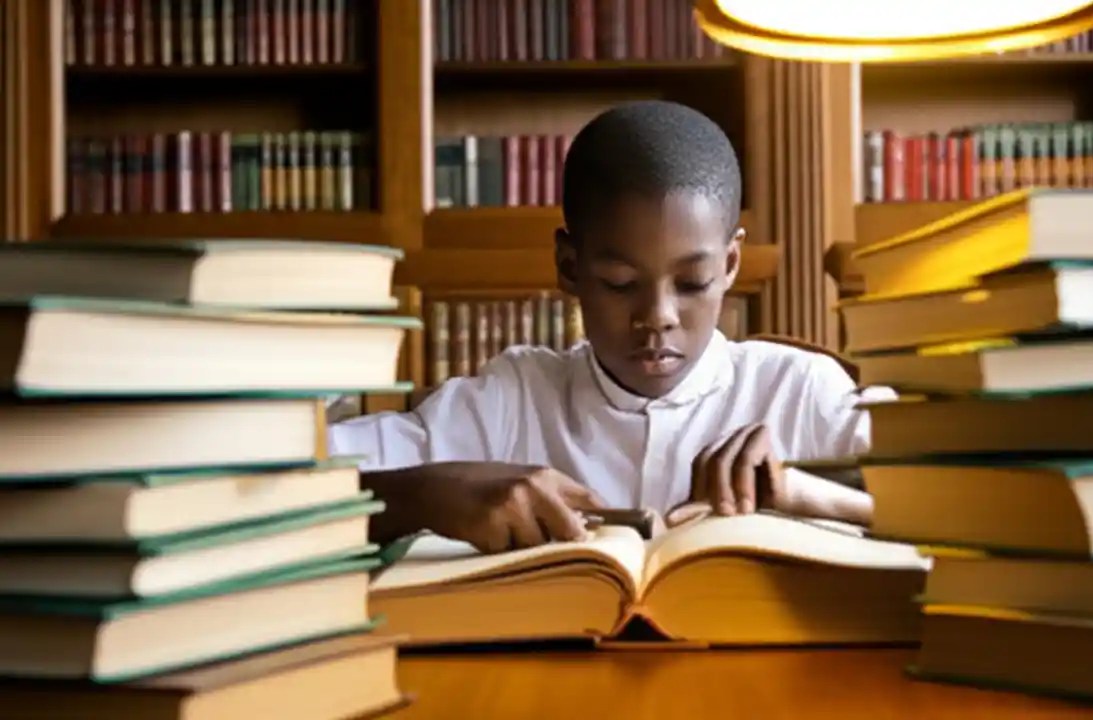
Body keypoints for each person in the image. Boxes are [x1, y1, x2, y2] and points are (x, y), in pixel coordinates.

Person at [329, 100, 894, 553]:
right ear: (570, 267)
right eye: (620, 283)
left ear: (729, 265)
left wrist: (808, 494)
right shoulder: (510, 402)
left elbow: (949, 504)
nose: (659, 316)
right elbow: (293, 489)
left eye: (692, 282)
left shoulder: (800, 392)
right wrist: (424, 496)